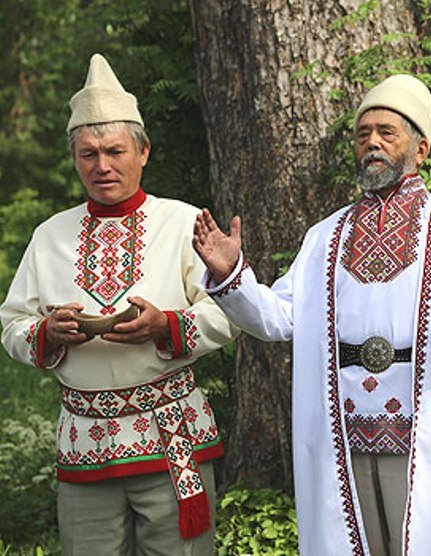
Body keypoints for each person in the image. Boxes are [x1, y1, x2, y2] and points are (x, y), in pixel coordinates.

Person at [193, 74, 431, 555]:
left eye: (387, 132)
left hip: (421, 433)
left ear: (421, 149)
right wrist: (232, 277)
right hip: (341, 434)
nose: (372, 142)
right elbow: (279, 318)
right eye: (363, 133)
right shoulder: (325, 235)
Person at [0, 54, 239, 555]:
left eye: (114, 150)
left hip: (171, 438)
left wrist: (166, 326)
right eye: (88, 153)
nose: (102, 165)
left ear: (144, 151)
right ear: (74, 158)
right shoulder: (50, 236)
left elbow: (229, 312)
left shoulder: (184, 223)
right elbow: (12, 324)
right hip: (85, 447)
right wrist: (48, 333)